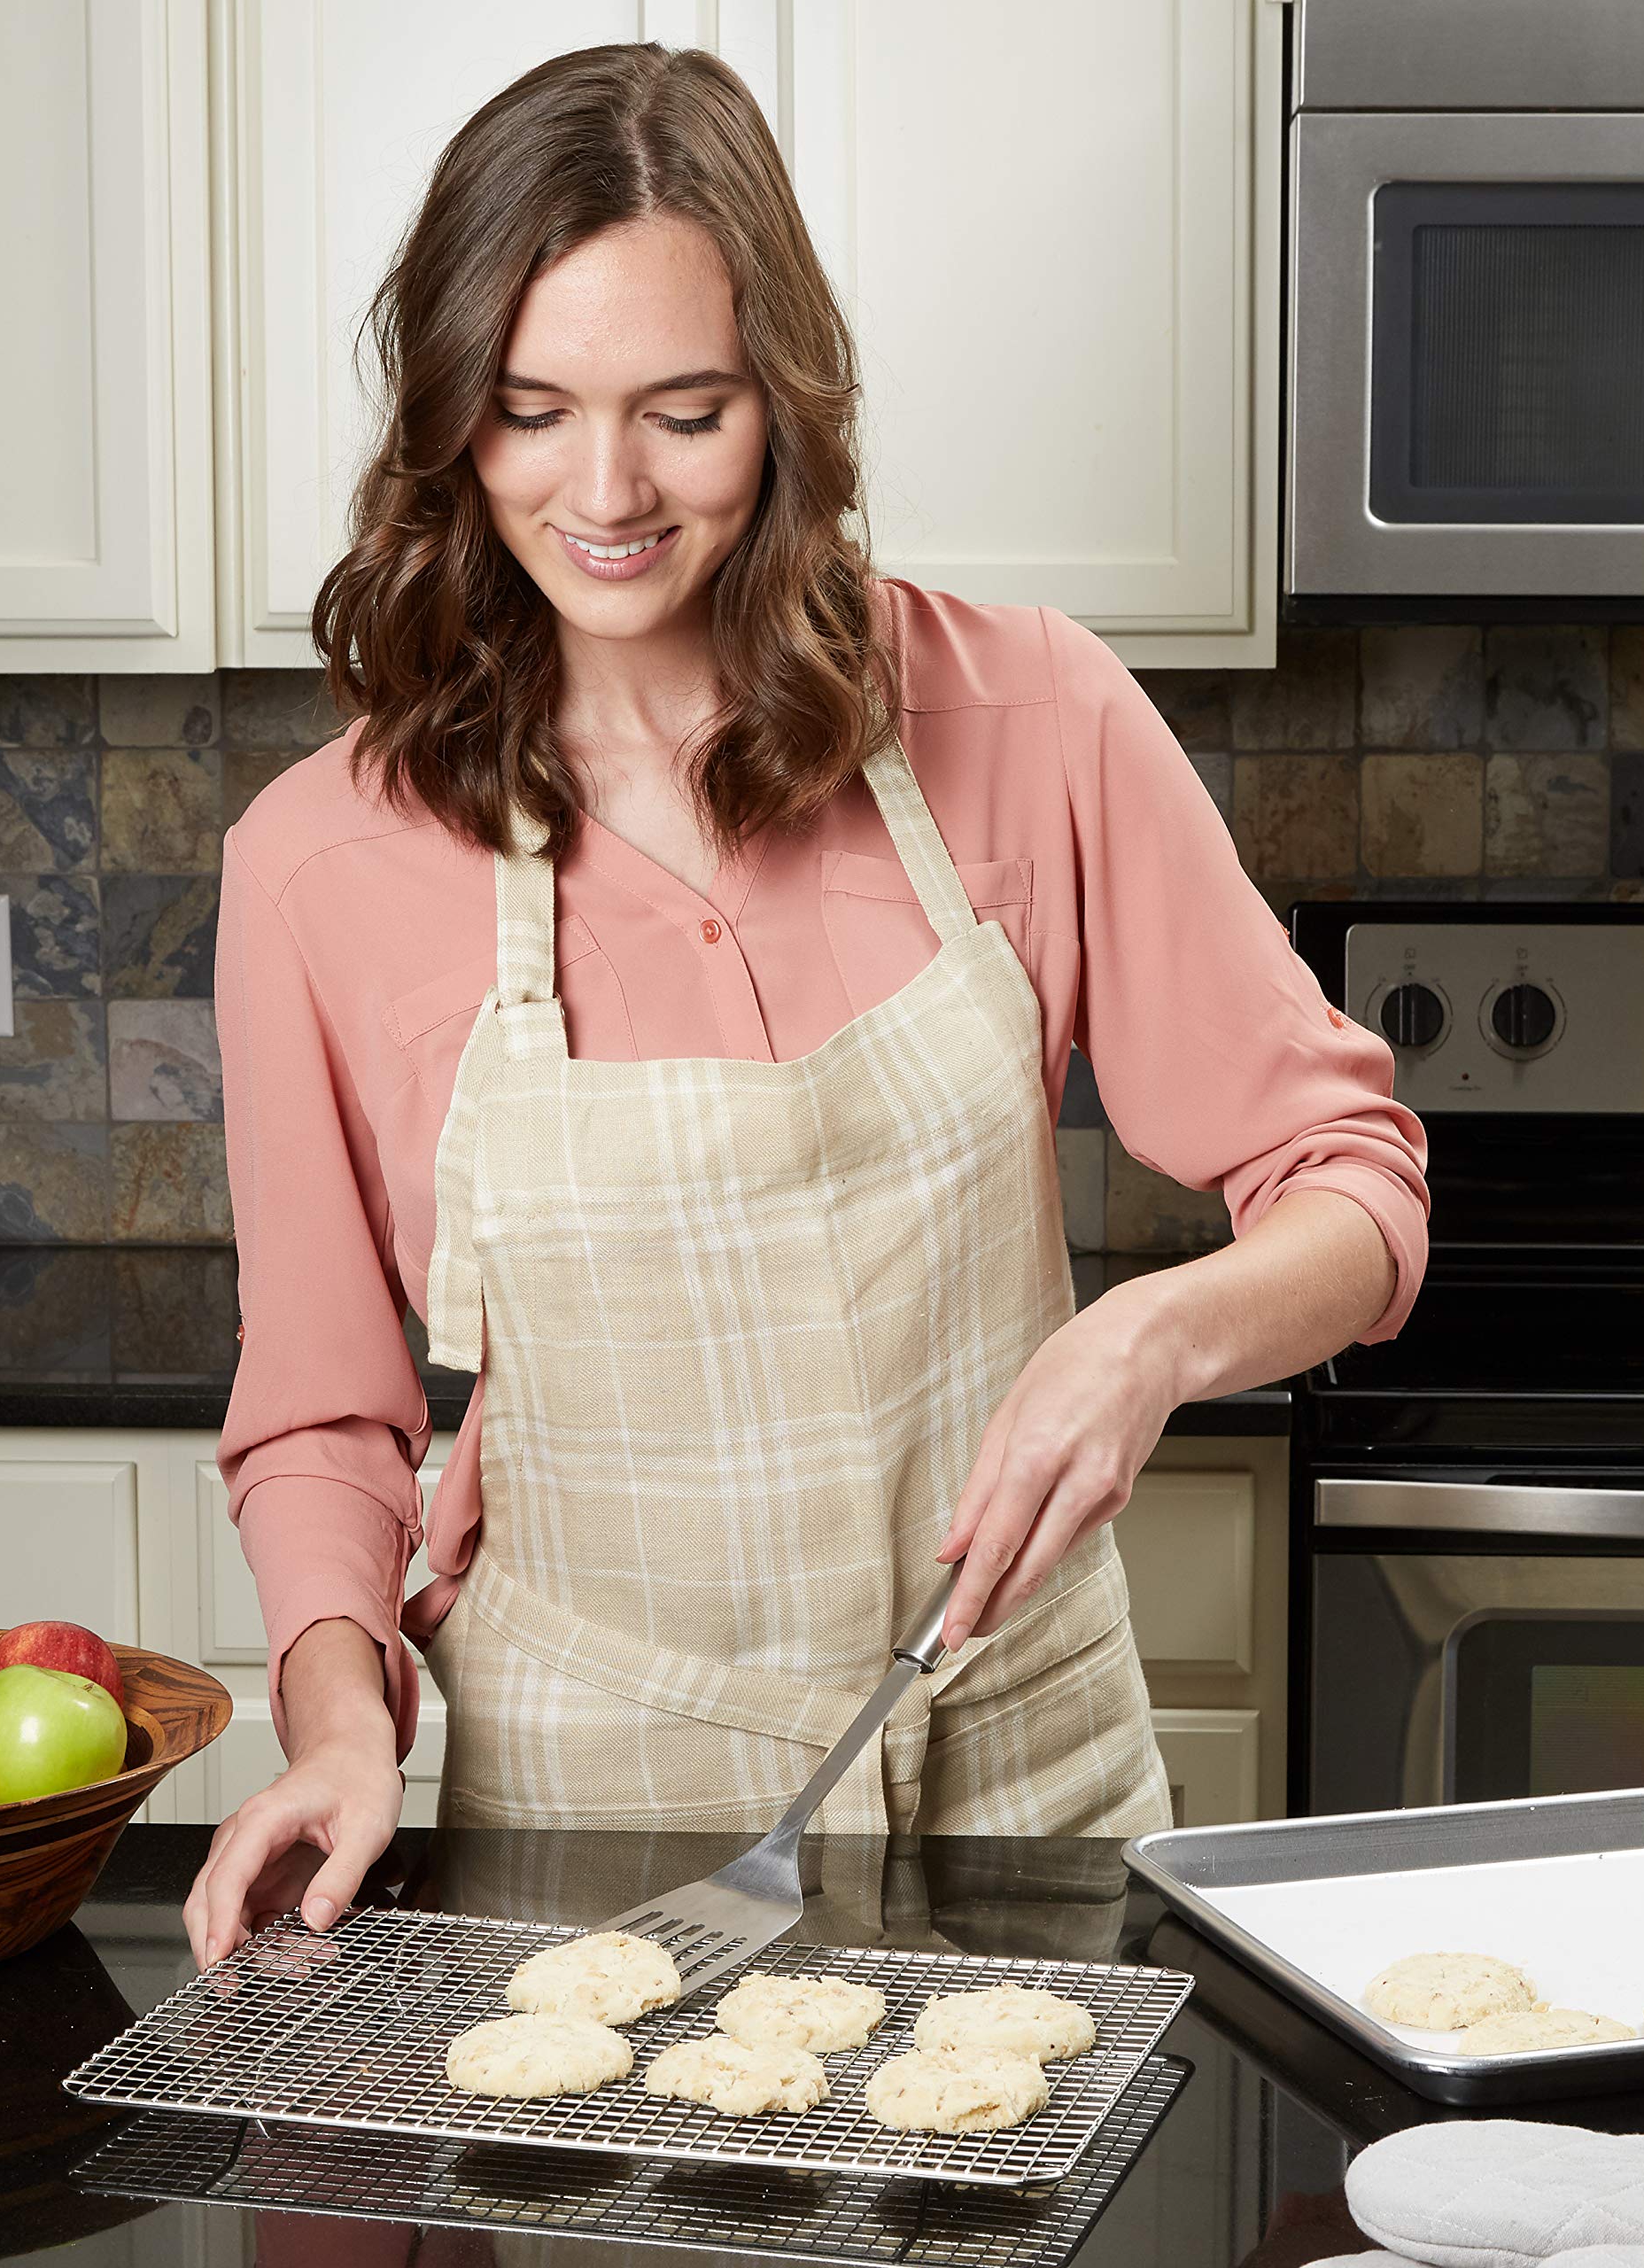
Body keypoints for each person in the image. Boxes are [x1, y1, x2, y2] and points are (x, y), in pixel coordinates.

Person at [183, 42, 1428, 1969]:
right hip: (603, 1816)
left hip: (1031, 1784)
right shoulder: (315, 866)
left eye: (683, 412)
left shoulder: (1026, 718)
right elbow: (324, 1417)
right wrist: (338, 1722)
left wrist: (1155, 1335)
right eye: (528, 412)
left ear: (784, 405)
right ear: (449, 418)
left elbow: (1348, 1180)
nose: (603, 492)